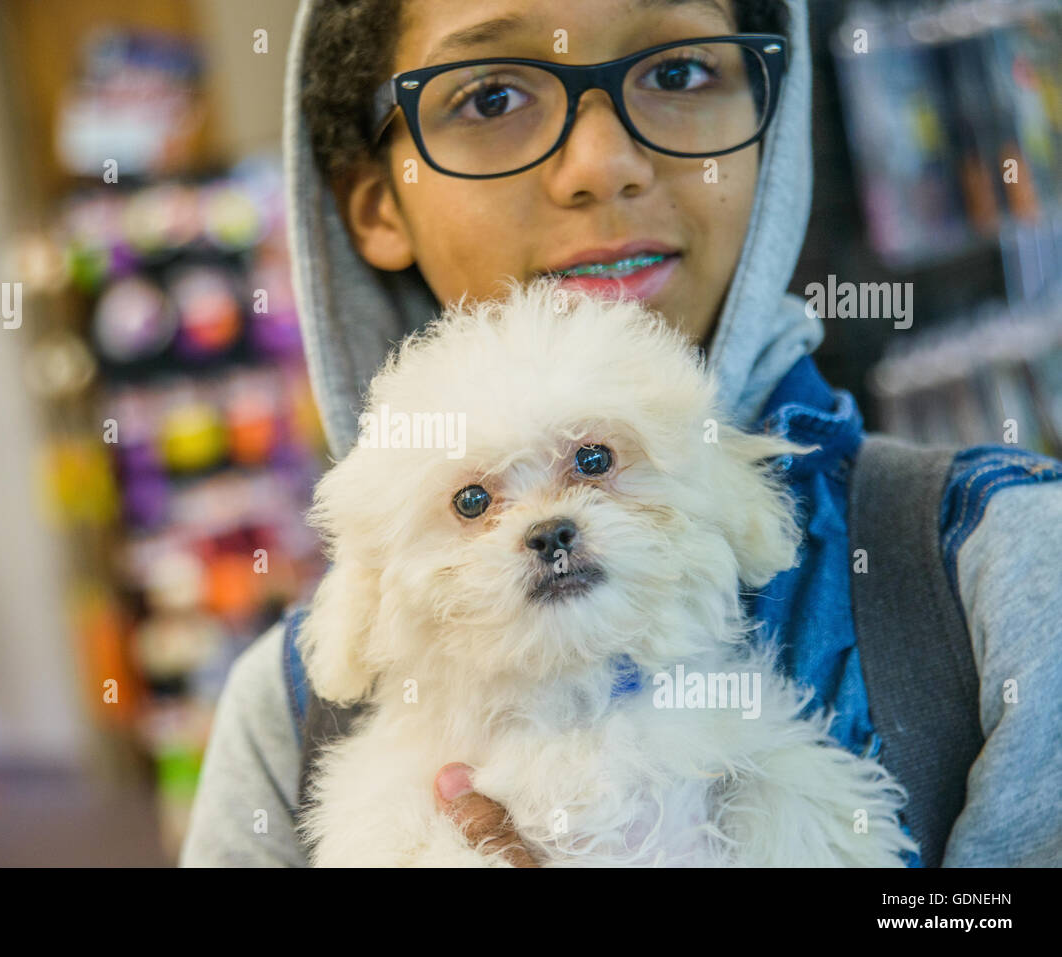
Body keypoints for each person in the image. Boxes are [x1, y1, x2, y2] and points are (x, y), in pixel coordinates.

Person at [180, 0, 1062, 867]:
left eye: (678, 72)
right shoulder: (282, 716)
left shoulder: (1010, 564)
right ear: (374, 204)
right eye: (491, 97)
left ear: (773, 131)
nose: (602, 165)